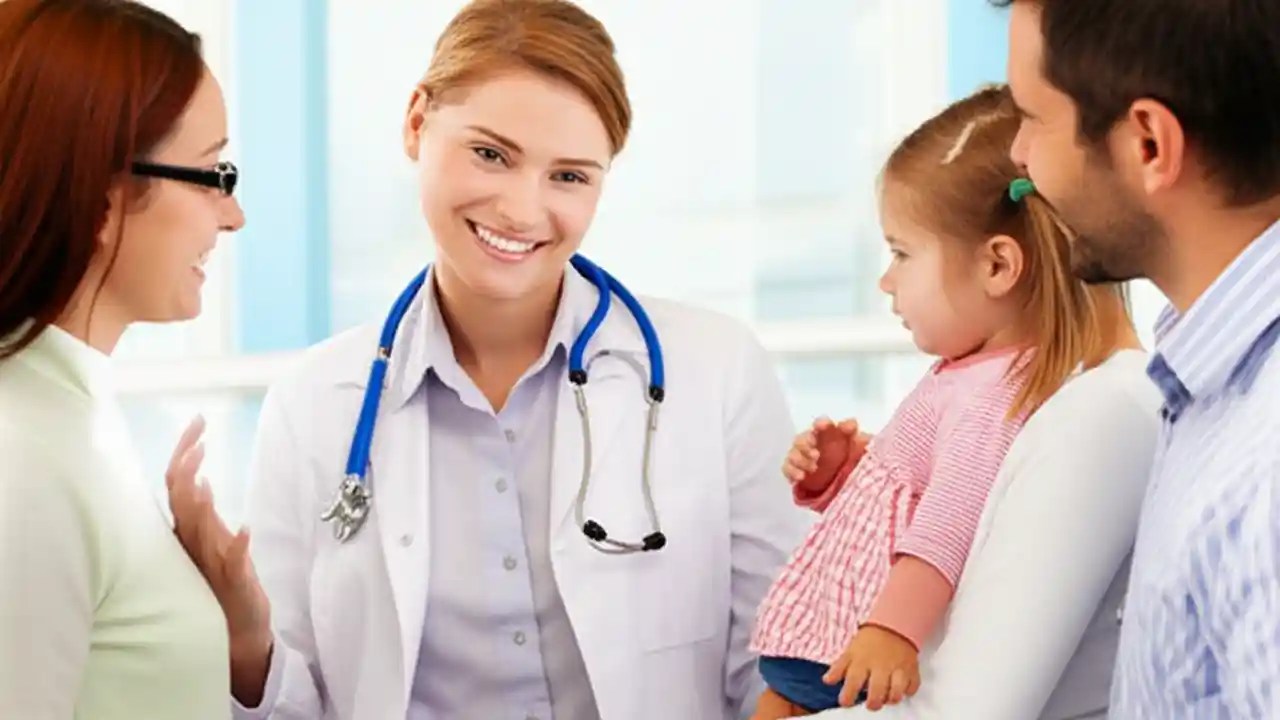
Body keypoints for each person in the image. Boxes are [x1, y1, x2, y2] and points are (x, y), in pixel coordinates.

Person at [164, 1, 809, 718]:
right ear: (417, 122)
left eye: (569, 177)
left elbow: (780, 665)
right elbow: (294, 705)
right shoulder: (315, 403)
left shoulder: (717, 373)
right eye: (491, 155)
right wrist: (244, 638)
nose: (522, 210)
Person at [748, 85, 1133, 719]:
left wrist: (892, 629)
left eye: (901, 253)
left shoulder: (996, 395)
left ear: (997, 266)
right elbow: (912, 498)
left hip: (852, 657)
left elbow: (949, 518)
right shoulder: (971, 375)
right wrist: (846, 473)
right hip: (834, 654)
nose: (886, 281)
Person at [998, 0, 1280, 716]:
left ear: (1149, 143)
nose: (1018, 155)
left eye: (1032, 118)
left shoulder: (1265, 465)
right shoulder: (1211, 381)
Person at [0, 1, 246, 718]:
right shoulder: (23, 459)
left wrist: (238, 631)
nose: (232, 214)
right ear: (104, 197)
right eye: (212, 174)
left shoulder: (67, 414)